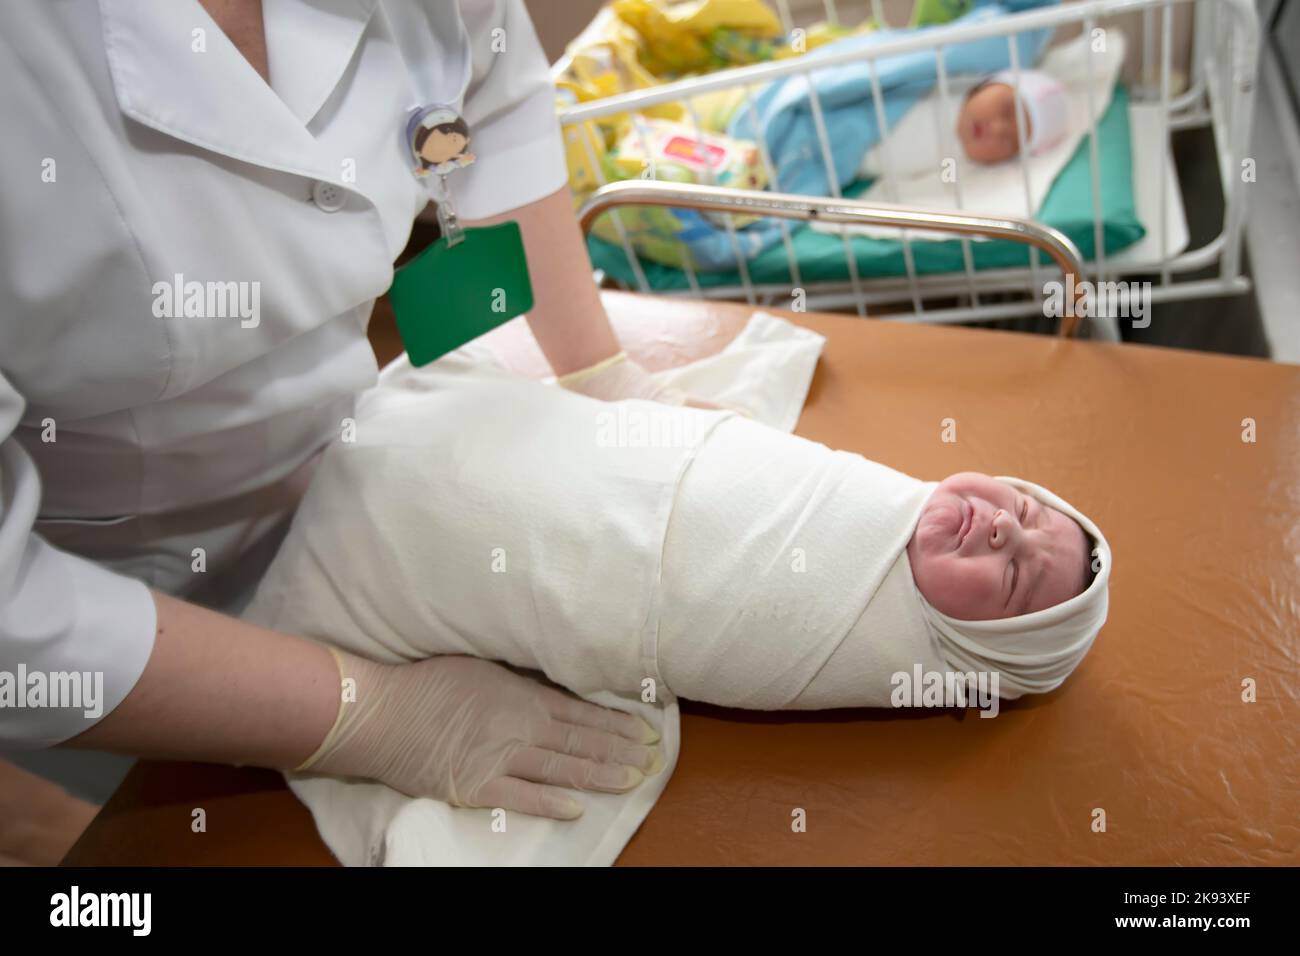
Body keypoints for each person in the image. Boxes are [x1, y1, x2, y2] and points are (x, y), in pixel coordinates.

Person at [0, 0, 699, 857]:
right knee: (174, 826)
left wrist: (597, 368)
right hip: (118, 595)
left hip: (351, 475)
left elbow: (492, 89)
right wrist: (380, 721)